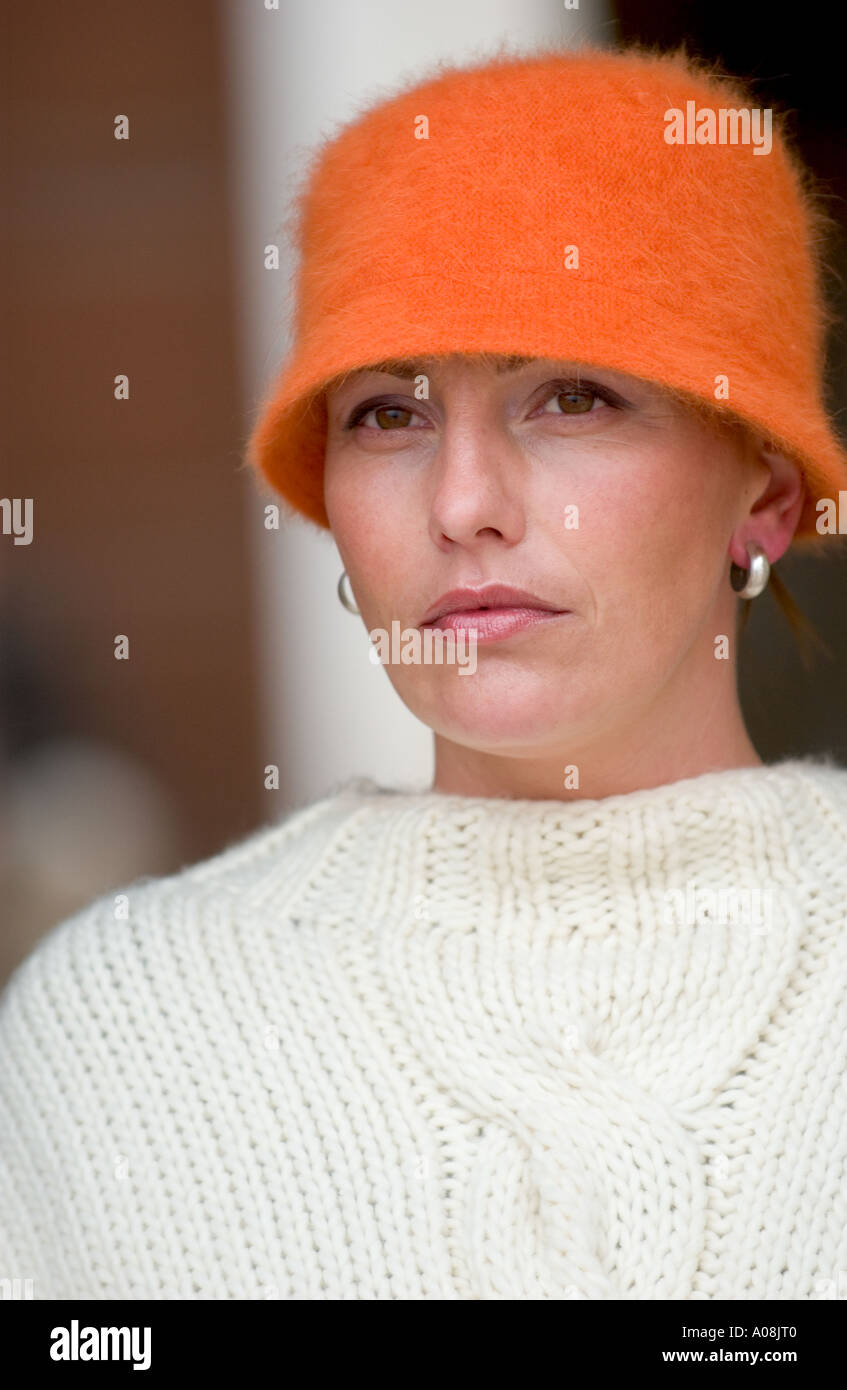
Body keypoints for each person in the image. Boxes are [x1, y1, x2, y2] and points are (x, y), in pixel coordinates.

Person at [2, 40, 847, 1302]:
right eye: (386, 414)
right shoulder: (122, 1024)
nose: (461, 504)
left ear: (766, 496)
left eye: (573, 396)